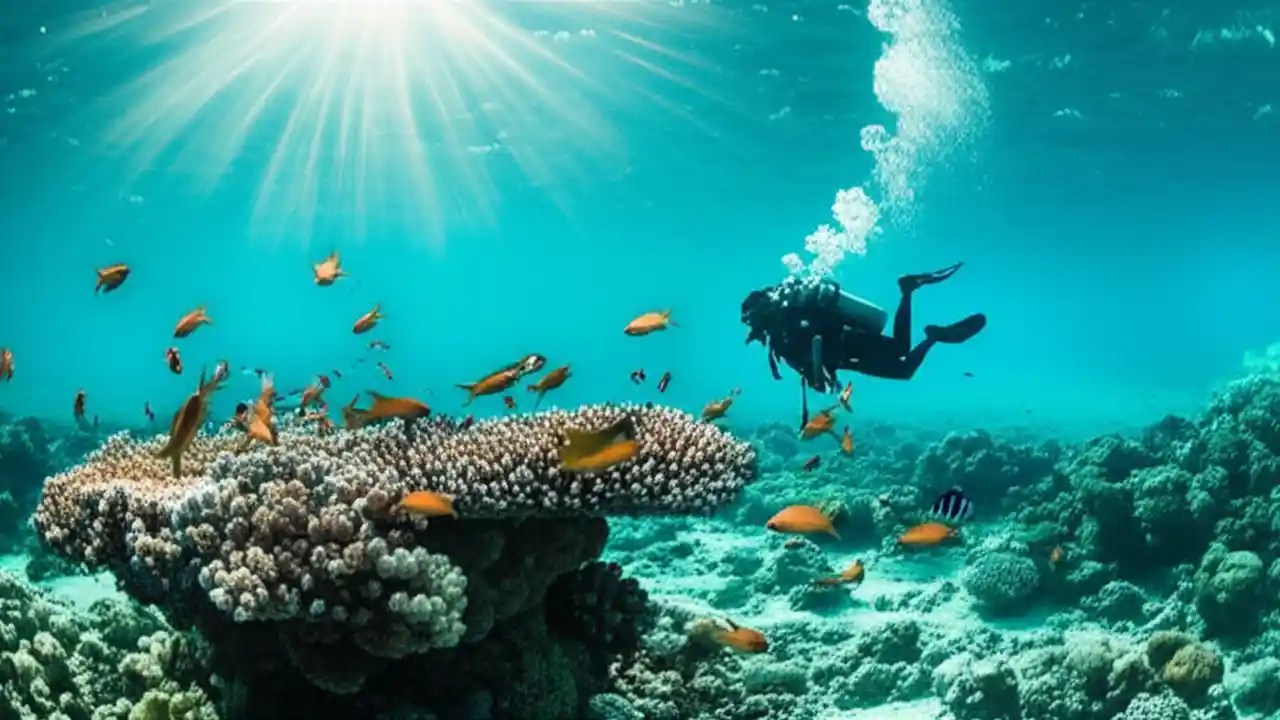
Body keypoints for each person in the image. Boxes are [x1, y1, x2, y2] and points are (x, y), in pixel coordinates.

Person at [741, 262, 986, 416]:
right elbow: (812, 359)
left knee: (902, 357)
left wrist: (821, 379)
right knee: (903, 367)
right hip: (849, 351)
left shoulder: (781, 335)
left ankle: (910, 295)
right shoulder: (783, 329)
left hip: (849, 347)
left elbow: (812, 354)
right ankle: (929, 330)